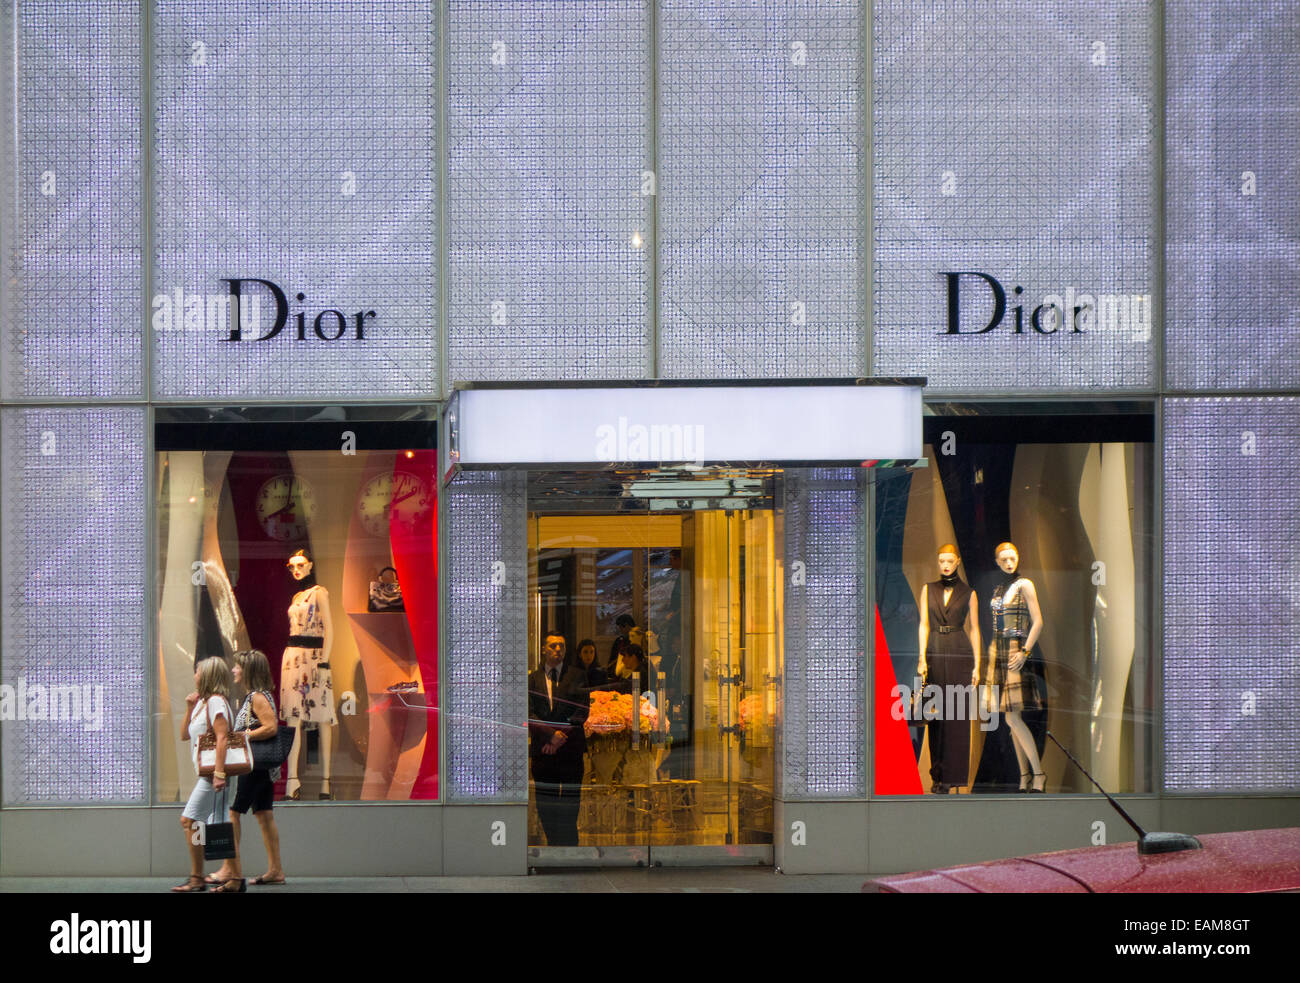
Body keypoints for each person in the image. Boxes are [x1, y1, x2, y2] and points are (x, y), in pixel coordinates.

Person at [209, 649, 287, 891]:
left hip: (252, 765)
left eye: (238, 666)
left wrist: (245, 735)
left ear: (249, 670)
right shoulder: (261, 695)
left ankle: (231, 870)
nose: (234, 670)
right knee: (264, 815)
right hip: (263, 767)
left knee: (232, 813)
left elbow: (271, 727)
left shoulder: (256, 698)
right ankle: (275, 870)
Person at [916, 545, 981, 794]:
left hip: (959, 650)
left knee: (957, 715)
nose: (945, 565)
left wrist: (977, 664)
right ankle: (938, 774)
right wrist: (921, 656)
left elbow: (974, 629)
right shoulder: (928, 589)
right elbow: (923, 624)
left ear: (957, 561)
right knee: (936, 715)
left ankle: (953, 777)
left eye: (949, 561)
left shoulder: (968, 593)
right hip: (934, 648)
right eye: (941, 560)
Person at [985, 542, 1047, 792]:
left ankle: (1038, 774)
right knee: (1010, 719)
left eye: (1012, 558)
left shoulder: (1025, 584)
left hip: (1014, 648)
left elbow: (1038, 621)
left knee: (1011, 716)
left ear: (1018, 558)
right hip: (997, 650)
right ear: (997, 562)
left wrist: (1024, 650)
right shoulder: (999, 588)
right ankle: (1024, 777)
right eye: (1003, 560)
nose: (1009, 563)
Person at [173, 656, 233, 892]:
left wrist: (219, 773)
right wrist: (189, 708)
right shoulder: (202, 703)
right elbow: (185, 735)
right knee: (199, 822)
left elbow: (222, 737)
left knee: (190, 820)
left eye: (198, 671)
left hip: (212, 775)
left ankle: (198, 876)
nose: (195, 675)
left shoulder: (216, 702)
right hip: (207, 774)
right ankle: (205, 875)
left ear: (207, 675)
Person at [279, 548, 336, 800]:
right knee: (294, 717)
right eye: (291, 566)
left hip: (314, 657)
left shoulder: (319, 593)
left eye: (300, 564)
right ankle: (292, 780)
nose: (296, 570)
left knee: (323, 716)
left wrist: (324, 663)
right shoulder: (296, 596)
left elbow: (330, 630)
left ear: (311, 565)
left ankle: (326, 783)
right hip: (293, 656)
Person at [528, 630, 589, 846]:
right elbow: (529, 713)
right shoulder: (533, 679)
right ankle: (554, 847)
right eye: (553, 645)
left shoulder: (577, 675)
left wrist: (560, 737)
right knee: (546, 803)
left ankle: (570, 849)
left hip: (570, 750)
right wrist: (550, 736)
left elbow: (581, 712)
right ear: (544, 649)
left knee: (570, 804)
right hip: (543, 751)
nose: (557, 649)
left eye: (561, 646)